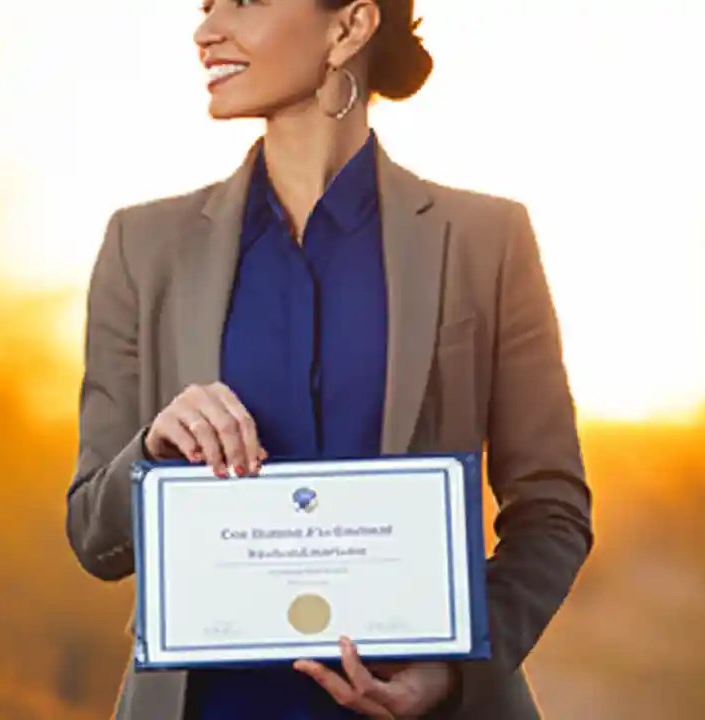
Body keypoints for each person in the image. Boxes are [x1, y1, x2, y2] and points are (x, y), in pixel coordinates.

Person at [65, 1, 593, 717]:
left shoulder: (486, 241)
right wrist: (154, 450)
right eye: (205, 6)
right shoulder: (143, 247)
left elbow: (552, 512)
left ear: (349, 27)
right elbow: (95, 540)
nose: (205, 31)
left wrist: (450, 671)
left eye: (244, 1)